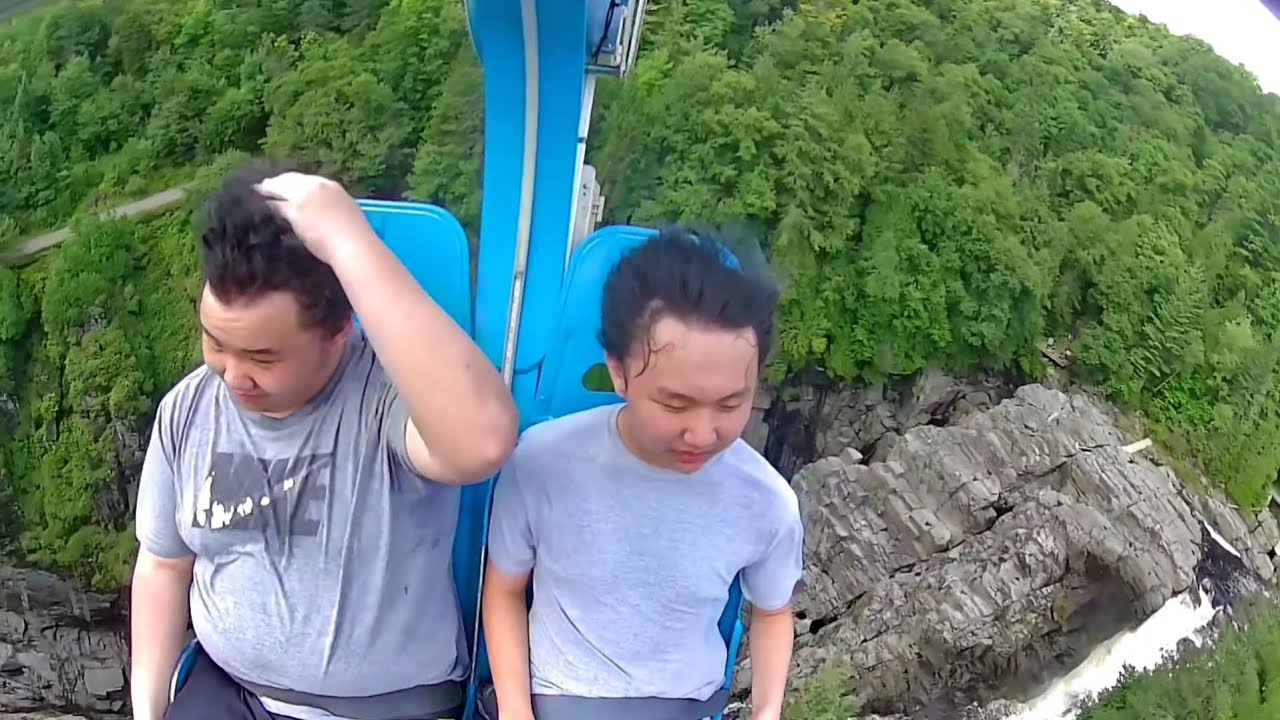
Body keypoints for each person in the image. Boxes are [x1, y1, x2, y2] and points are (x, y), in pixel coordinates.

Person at [130, 166, 519, 720]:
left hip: (379, 709)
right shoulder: (189, 409)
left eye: (262, 358)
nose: (233, 376)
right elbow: (164, 567)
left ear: (339, 333)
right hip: (229, 691)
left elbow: (483, 441)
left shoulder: (388, 401)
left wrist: (347, 241)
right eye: (216, 343)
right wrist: (148, 710)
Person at [482, 228, 804, 720]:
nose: (702, 433)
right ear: (618, 373)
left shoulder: (765, 499)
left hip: (686, 707)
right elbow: (503, 590)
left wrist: (767, 711)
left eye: (730, 404)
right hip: (560, 702)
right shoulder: (542, 463)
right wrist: (515, 710)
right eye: (675, 404)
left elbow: (773, 609)